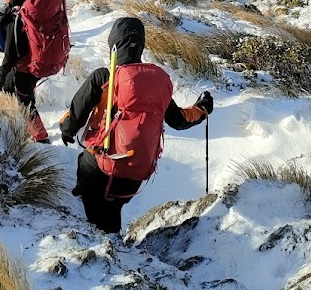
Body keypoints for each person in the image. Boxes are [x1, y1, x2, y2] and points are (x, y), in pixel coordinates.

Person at [59, 16, 213, 234]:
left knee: (91, 201)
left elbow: (74, 116)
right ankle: (114, 246)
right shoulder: (156, 83)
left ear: (113, 44)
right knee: (113, 209)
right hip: (137, 171)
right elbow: (179, 120)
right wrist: (202, 108)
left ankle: (97, 245)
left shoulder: (104, 77)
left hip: (100, 165)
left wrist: (66, 130)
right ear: (141, 44)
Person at [0, 0, 70, 143]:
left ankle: (40, 136)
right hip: (45, 59)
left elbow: (11, 53)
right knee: (26, 90)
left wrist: (2, 74)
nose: (5, 1)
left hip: (29, 66)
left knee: (24, 100)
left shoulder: (17, 18)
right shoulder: (35, 10)